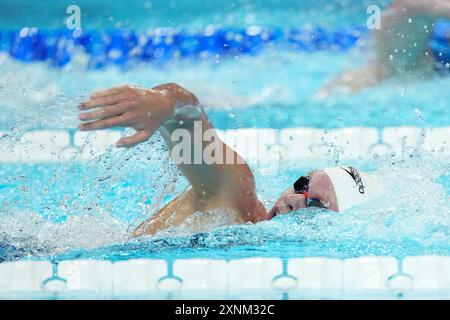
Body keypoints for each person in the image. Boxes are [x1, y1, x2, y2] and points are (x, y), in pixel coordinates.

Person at [77, 83, 382, 237]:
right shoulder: (238, 200)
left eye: (316, 204)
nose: (293, 199)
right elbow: (190, 117)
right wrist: (164, 104)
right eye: (302, 184)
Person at [317, 0, 450, 98]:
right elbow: (414, 5)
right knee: (384, 72)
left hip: (430, 54)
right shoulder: (411, 10)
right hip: (403, 63)